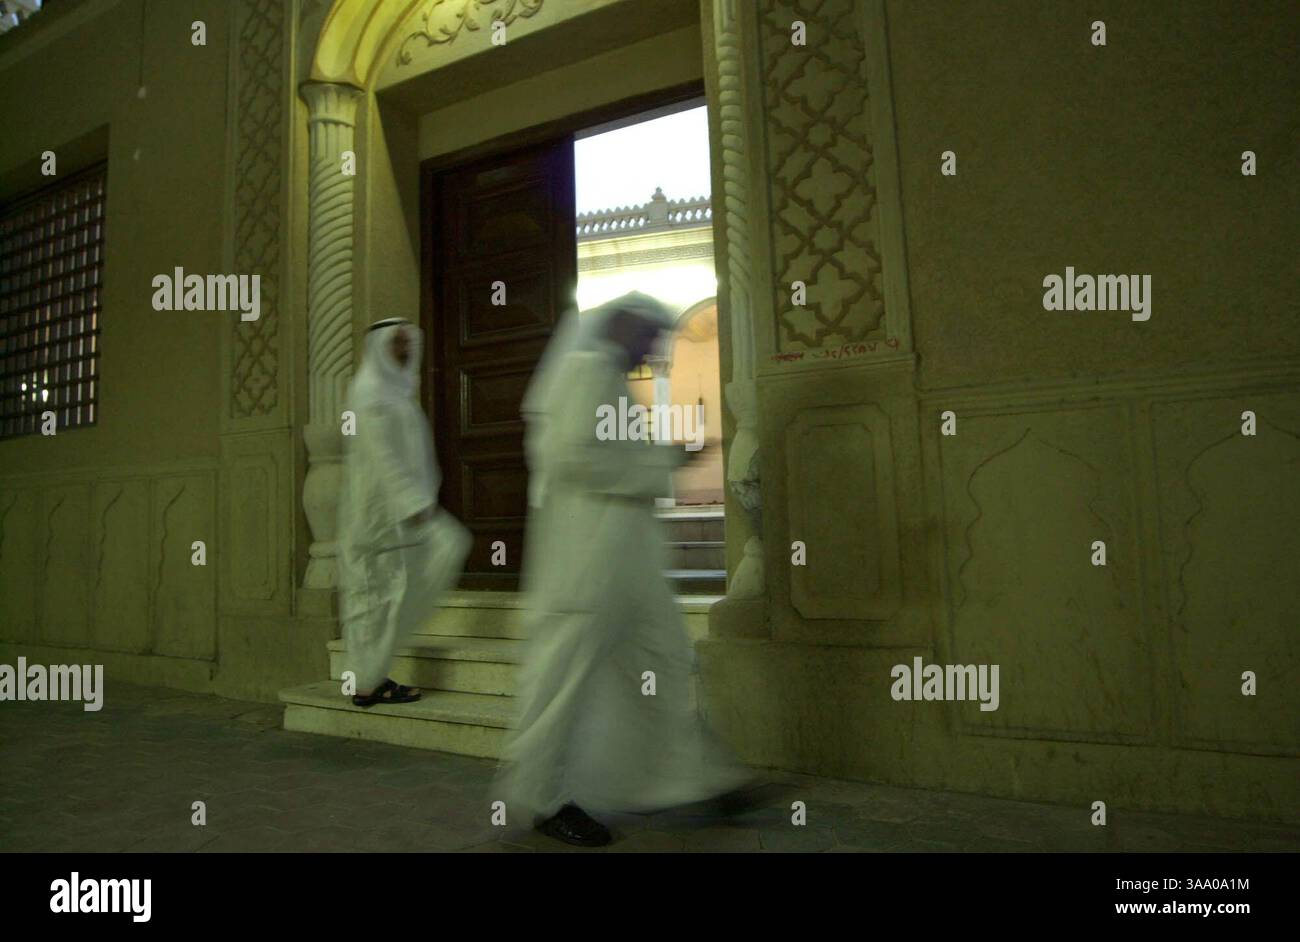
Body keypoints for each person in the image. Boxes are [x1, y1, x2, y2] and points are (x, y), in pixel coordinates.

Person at [497, 291, 753, 846]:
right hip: (584, 571)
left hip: (627, 569)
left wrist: (660, 456)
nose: (652, 348)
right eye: (647, 335)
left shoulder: (607, 378)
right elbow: (572, 457)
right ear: (619, 325)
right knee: (561, 687)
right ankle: (543, 799)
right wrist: (663, 460)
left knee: (661, 666)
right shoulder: (585, 372)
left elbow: (607, 454)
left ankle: (692, 781)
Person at [336, 317, 470, 707]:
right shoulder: (369, 393)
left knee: (387, 597)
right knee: (373, 599)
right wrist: (413, 503)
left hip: (397, 515)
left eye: (407, 341)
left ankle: (370, 677)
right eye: (396, 343)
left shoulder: (394, 393)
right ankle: (366, 682)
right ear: (379, 347)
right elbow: (382, 458)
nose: (405, 349)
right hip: (378, 518)